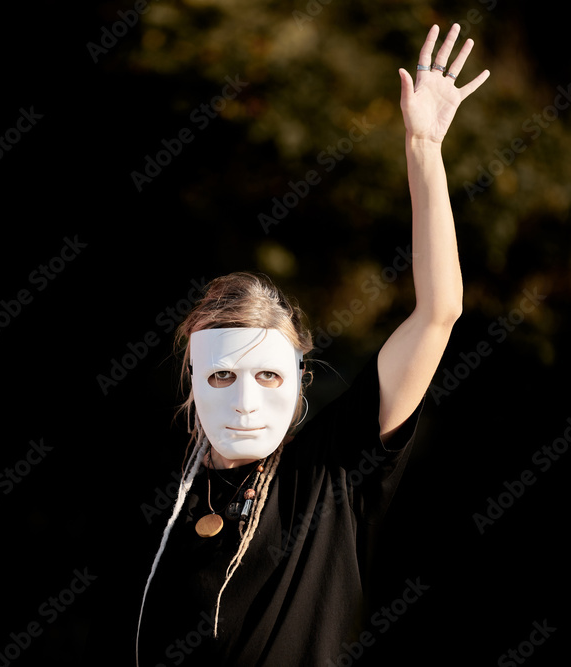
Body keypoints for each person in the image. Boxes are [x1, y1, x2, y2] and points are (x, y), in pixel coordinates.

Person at [136, 24, 489, 666]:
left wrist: (423, 148)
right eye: (222, 377)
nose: (245, 400)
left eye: (268, 376)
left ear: (300, 381)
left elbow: (440, 312)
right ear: (192, 381)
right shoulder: (167, 493)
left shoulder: (331, 470)